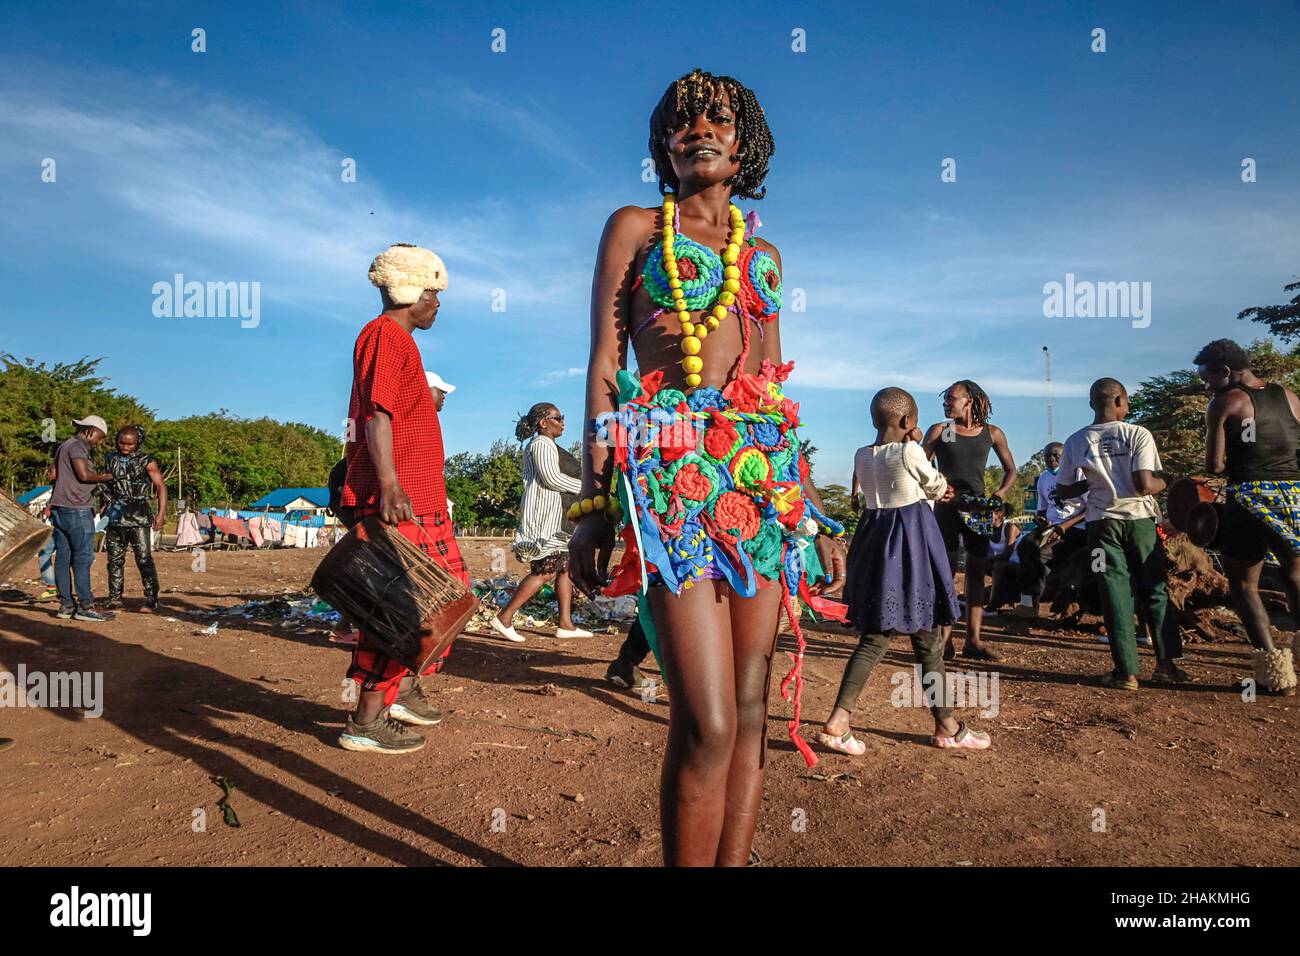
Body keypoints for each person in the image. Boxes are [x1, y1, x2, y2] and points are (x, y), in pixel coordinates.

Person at [568, 69, 847, 867]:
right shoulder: (635, 229)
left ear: (743, 141)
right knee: (710, 721)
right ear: (663, 143)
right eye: (682, 123)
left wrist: (811, 511)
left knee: (753, 711)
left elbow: (773, 384)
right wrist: (594, 500)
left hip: (761, 483)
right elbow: (602, 361)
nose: (699, 131)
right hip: (667, 479)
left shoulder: (762, 256)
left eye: (717, 119)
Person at [336, 243, 470, 754]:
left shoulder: (401, 342)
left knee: (446, 598)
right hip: (399, 497)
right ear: (412, 292)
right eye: (434, 292)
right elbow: (377, 415)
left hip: (419, 496)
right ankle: (366, 720)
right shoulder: (385, 336)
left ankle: (404, 690)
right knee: (406, 608)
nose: (438, 303)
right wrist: (390, 484)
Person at [820, 388, 991, 755]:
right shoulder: (910, 450)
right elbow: (938, 485)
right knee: (917, 635)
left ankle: (944, 724)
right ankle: (843, 723)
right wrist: (924, 459)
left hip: (874, 543)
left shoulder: (861, 455)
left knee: (895, 636)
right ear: (907, 422)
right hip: (911, 546)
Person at [1053, 378, 1190, 690]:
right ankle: (1166, 664)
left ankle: (1125, 672)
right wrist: (1167, 481)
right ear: (1119, 401)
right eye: (1126, 403)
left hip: (1101, 525)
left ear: (1091, 404)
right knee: (1154, 589)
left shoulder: (1076, 440)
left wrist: (1092, 482)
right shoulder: (1137, 433)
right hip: (1140, 522)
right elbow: (1144, 484)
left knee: (1114, 593)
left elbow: (1064, 489)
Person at [1197, 338, 1300, 695]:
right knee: (1294, 576)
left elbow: (1214, 465)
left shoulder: (1225, 403)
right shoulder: (1289, 396)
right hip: (1293, 495)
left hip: (1249, 497)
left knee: (1244, 585)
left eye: (1207, 378)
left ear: (1225, 372)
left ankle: (1274, 674)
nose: (1205, 385)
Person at [922, 380, 1018, 660]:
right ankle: (944, 642)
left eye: (952, 399)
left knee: (976, 573)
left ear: (970, 402)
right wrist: (937, 486)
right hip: (946, 509)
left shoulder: (992, 433)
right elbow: (919, 464)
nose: (946, 403)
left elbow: (1011, 469)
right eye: (945, 400)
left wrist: (999, 494)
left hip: (979, 510)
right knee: (946, 574)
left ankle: (973, 641)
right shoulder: (940, 431)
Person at [488, 403, 593, 642]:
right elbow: (551, 478)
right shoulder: (540, 445)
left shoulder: (550, 445)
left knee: (565, 568)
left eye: (562, 417)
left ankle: (565, 624)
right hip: (545, 519)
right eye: (557, 418)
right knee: (545, 571)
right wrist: (585, 489)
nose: (562, 422)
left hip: (559, 517)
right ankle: (504, 618)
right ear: (543, 423)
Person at [49, 415, 115, 622]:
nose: (99, 443)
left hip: (60, 507)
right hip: (76, 508)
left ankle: (66, 605)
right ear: (89, 431)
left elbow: (53, 473)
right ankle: (86, 606)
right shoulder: (78, 446)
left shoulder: (64, 446)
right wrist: (107, 477)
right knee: (83, 558)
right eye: (99, 437)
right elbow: (84, 475)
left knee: (63, 558)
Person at [101, 425, 167, 612]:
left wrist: (161, 514)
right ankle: (115, 598)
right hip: (115, 515)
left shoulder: (147, 461)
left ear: (138, 442)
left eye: (130, 444)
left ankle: (152, 597)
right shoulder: (110, 458)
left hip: (139, 515)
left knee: (144, 558)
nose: (125, 447)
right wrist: (102, 505)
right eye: (122, 442)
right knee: (114, 559)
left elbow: (161, 486)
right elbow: (104, 484)